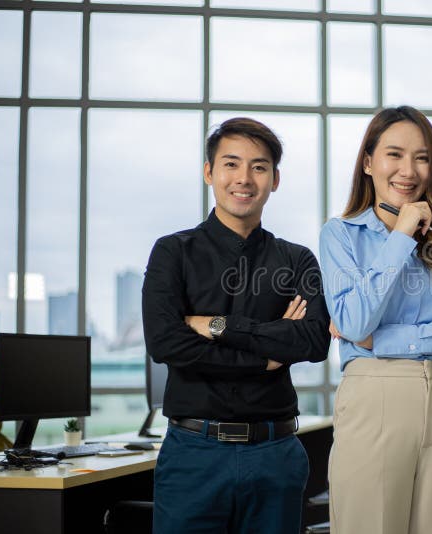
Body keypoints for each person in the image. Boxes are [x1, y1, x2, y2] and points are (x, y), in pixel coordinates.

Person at [142, 117, 331, 534]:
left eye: (259, 167)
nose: (244, 178)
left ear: (275, 179)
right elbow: (166, 343)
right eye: (231, 164)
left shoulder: (297, 260)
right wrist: (265, 356)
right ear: (209, 172)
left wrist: (217, 326)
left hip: (275, 455)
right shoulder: (173, 252)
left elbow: (314, 341)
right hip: (194, 454)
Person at [320, 105, 432, 534]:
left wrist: (389, 340)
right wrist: (400, 237)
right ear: (368, 162)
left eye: (422, 157)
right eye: (394, 154)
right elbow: (355, 323)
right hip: (373, 397)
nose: (408, 170)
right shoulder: (340, 235)